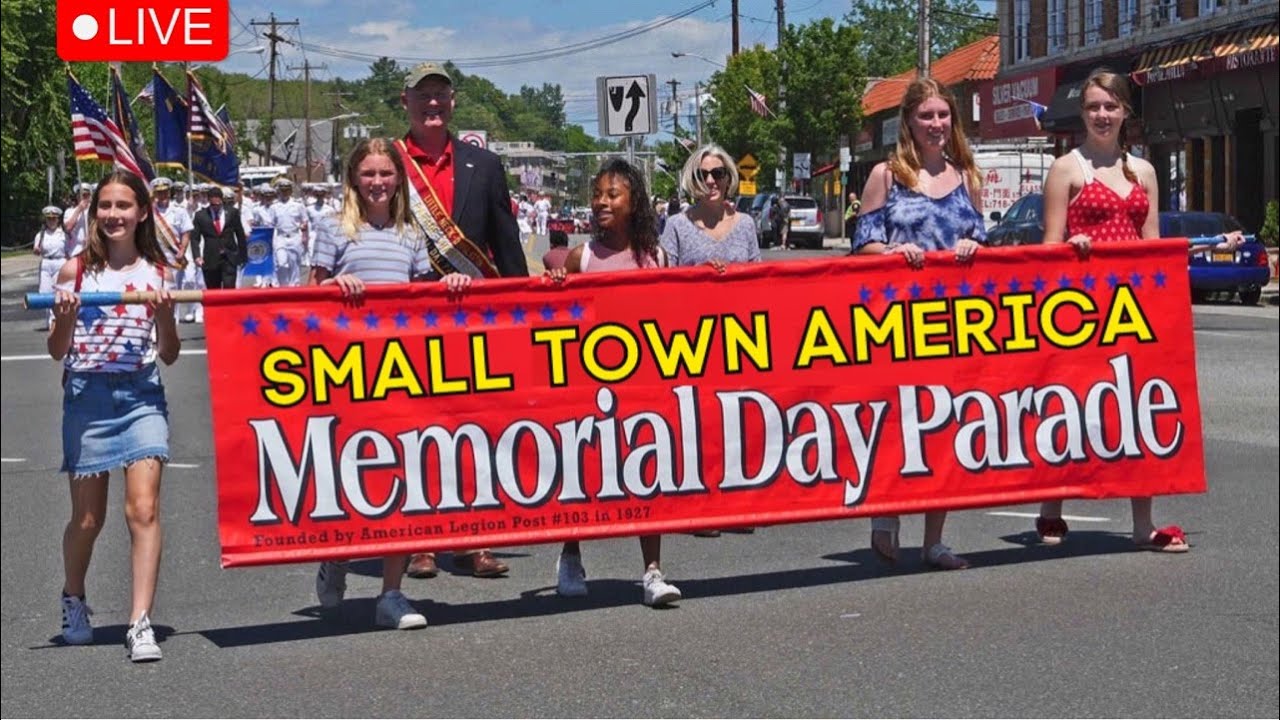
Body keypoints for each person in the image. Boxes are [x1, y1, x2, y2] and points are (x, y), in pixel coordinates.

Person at [1034, 68, 1241, 553]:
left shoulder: (1143, 171)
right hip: (1079, 313)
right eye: (1093, 107)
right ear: (1081, 113)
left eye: (1111, 106)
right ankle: (1051, 506)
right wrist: (1070, 247)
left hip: (1132, 310)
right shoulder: (1067, 168)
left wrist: (1198, 246)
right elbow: (1046, 249)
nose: (1102, 115)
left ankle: (1141, 523)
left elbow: (1152, 248)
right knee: (1072, 409)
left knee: (1137, 407)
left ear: (1126, 111)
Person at [311, 138, 473, 629]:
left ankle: (391, 593)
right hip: (346, 371)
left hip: (398, 372)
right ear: (353, 180)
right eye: (368, 174)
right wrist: (331, 287)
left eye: (386, 174)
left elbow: (421, 296)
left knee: (399, 479)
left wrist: (447, 286)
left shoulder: (409, 234)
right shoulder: (332, 229)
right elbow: (305, 296)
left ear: (398, 180)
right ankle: (336, 555)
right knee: (350, 478)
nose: (378, 183)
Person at [396, 61, 528, 579]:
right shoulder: (388, 163)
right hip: (408, 320)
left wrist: (523, 309)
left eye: (441, 95)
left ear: (453, 103)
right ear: (404, 101)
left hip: (475, 319)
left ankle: (476, 538)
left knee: (477, 428)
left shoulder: (485, 164)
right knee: (415, 430)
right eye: (423, 95)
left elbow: (505, 241)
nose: (433, 103)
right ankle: (421, 539)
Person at [851, 77, 986, 571]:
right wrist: (888, 251)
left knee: (944, 426)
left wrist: (974, 248)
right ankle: (886, 514)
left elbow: (981, 242)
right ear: (909, 121)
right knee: (898, 424)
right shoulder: (887, 176)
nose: (936, 125)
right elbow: (861, 246)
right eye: (926, 116)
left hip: (952, 324)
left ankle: (935, 539)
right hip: (896, 323)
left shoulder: (967, 176)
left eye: (943, 115)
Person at [47, 170, 180, 662]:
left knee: (142, 509)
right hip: (88, 396)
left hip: (142, 394)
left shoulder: (156, 273)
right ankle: (74, 597)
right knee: (87, 517)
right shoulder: (75, 271)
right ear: (93, 213)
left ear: (142, 212)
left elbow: (168, 355)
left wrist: (164, 314)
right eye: (105, 206)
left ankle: (139, 621)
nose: (113, 215)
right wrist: (63, 315)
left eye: (124, 205)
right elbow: (57, 350)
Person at [545, 158, 683, 607]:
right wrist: (557, 283)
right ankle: (571, 555)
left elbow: (677, 314)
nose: (602, 202)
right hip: (588, 385)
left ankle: (652, 571)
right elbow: (553, 317)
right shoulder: (581, 257)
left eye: (612, 195)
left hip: (642, 384)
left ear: (634, 202)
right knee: (583, 471)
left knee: (647, 474)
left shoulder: (656, 257)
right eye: (598, 194)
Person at [660, 143, 761, 537]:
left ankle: (735, 505)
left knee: (736, 419)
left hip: (739, 336)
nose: (712, 180)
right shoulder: (677, 226)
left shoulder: (748, 225)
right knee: (698, 422)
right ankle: (701, 507)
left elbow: (759, 278)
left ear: (730, 176)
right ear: (692, 179)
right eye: (704, 174)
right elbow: (663, 282)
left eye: (718, 172)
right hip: (691, 338)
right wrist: (700, 275)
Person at [190, 184, 247, 291]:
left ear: (222, 200)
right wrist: (197, 256)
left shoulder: (232, 212)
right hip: (210, 258)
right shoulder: (200, 216)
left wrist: (242, 255)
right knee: (213, 291)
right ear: (209, 201)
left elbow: (240, 234)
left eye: (218, 204)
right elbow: (194, 238)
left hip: (229, 257)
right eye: (213, 205)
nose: (216, 207)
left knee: (229, 289)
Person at [33, 206, 71, 330]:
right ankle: (48, 319)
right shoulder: (41, 234)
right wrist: (36, 250)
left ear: (58, 220)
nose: (51, 221)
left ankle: (54, 319)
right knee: (44, 292)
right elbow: (36, 250)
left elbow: (68, 250)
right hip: (46, 263)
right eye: (49, 219)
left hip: (59, 262)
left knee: (57, 292)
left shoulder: (64, 234)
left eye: (53, 219)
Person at [62, 183, 94, 259]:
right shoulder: (69, 211)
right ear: (77, 196)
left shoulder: (94, 211)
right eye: (81, 195)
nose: (83, 198)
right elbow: (67, 228)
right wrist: (79, 209)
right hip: (75, 249)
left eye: (86, 195)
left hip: (92, 247)